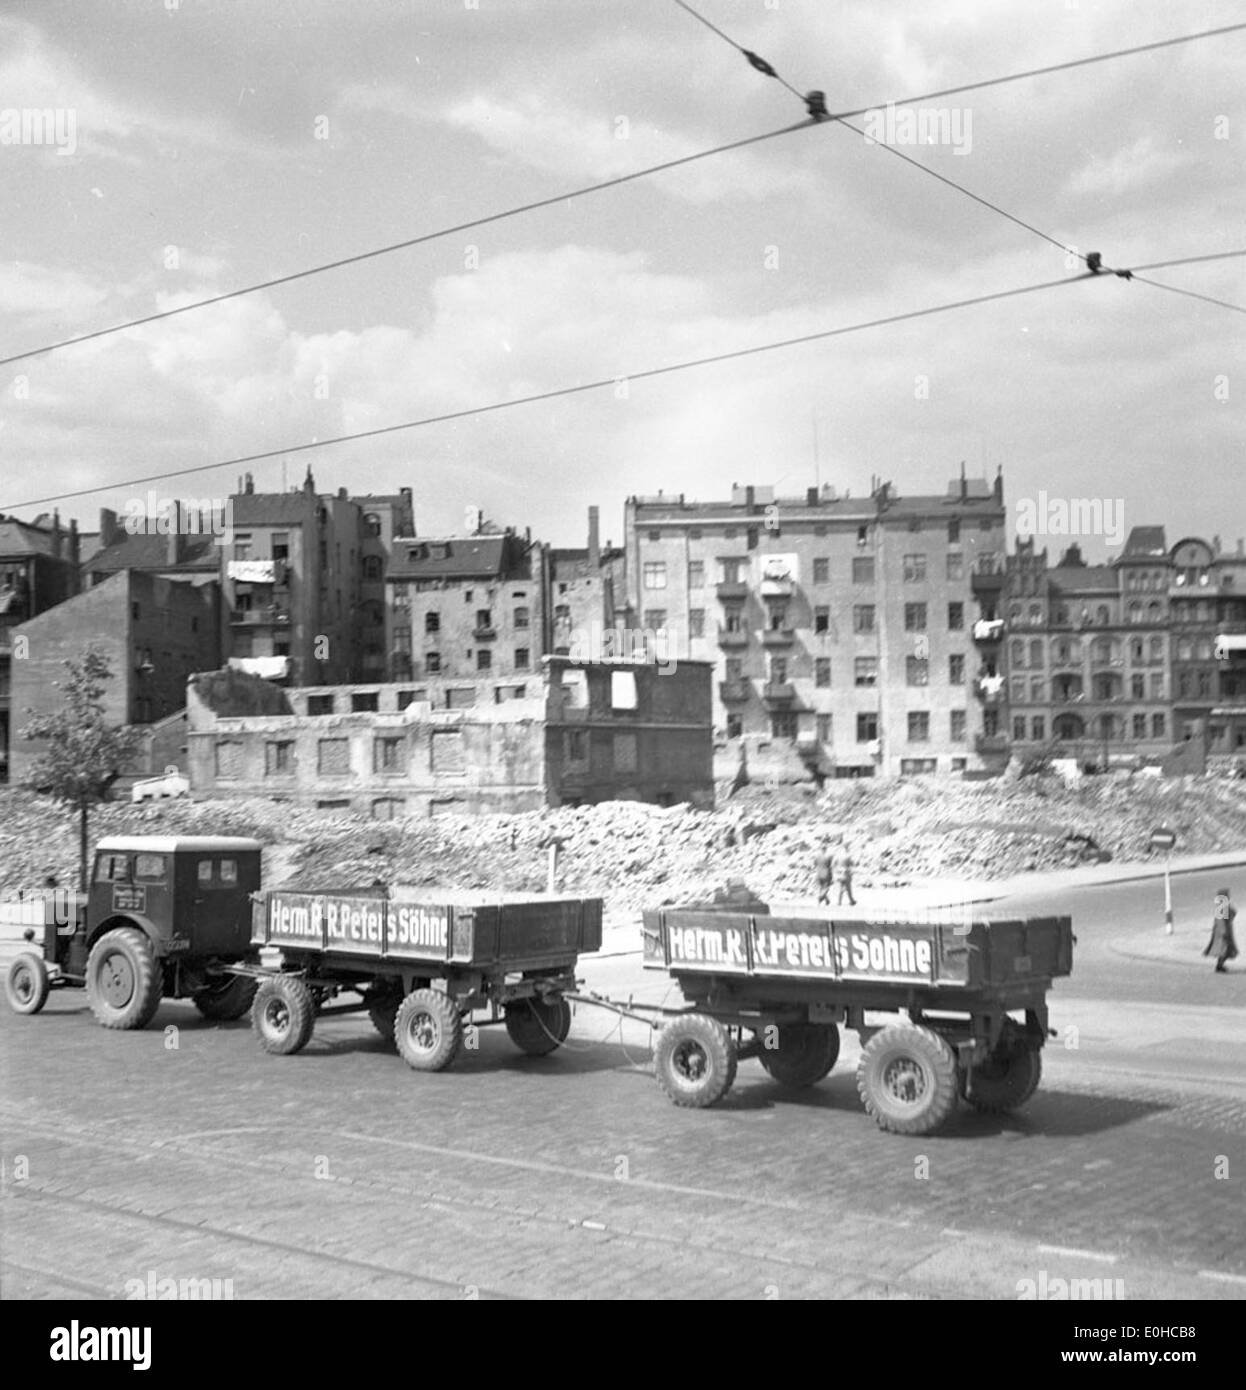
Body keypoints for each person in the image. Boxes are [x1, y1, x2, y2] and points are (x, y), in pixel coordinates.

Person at [1204, 887, 1239, 974]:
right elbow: (1221, 920)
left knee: (1224, 950)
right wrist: (1223, 931)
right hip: (1223, 932)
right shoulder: (1222, 906)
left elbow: (1233, 913)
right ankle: (1219, 965)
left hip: (1224, 931)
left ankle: (1220, 965)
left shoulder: (1224, 905)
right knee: (1223, 949)